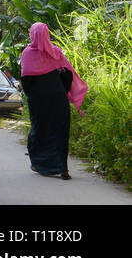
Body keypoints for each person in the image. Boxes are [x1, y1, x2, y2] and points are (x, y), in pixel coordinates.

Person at [19, 22, 87, 179]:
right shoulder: (56, 52)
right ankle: (63, 169)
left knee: (39, 130)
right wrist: (63, 91)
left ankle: (39, 164)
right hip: (58, 98)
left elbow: (26, 80)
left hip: (38, 100)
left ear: (32, 34)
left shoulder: (27, 54)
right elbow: (68, 75)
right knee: (60, 131)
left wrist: (31, 96)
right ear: (47, 34)